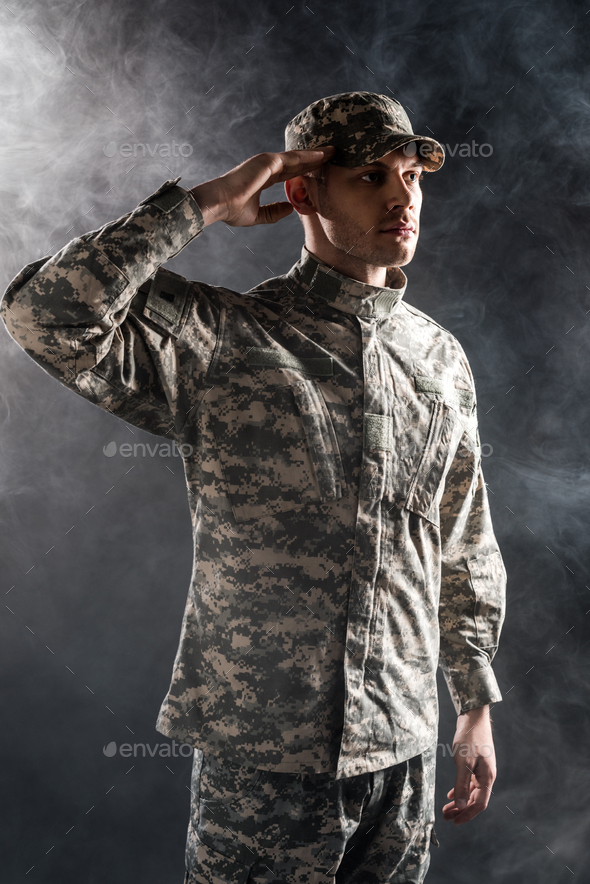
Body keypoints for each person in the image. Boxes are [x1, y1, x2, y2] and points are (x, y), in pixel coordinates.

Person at [1, 91, 507, 883]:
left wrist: (474, 705)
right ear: (302, 191)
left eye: (411, 175)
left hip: (403, 750)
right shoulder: (228, 338)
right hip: (266, 757)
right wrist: (204, 203)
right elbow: (45, 314)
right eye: (370, 175)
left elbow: (461, 537)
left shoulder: (440, 360)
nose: (402, 196)